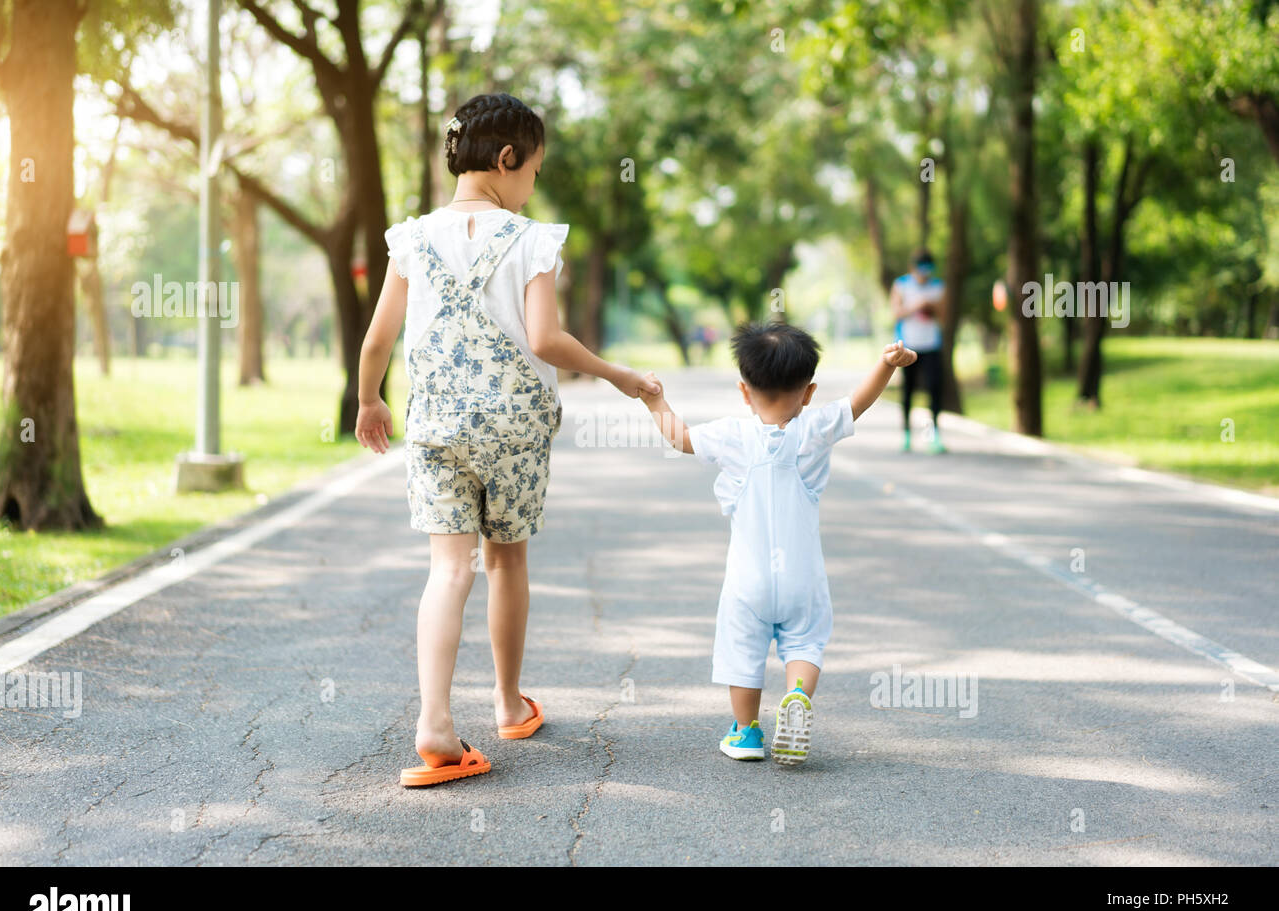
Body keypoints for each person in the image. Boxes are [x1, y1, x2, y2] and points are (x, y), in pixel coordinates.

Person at [354, 93, 658, 787]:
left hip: (435, 428)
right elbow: (546, 338)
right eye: (534, 172)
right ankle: (508, 701)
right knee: (507, 562)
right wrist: (617, 376)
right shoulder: (531, 239)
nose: (532, 187)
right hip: (515, 428)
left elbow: (378, 338)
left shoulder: (411, 238)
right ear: (508, 158)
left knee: (447, 570)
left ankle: (434, 723)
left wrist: (369, 397)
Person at [638, 323, 916, 765]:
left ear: (744, 391)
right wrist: (887, 364)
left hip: (747, 582)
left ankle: (747, 732)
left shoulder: (731, 435)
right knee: (805, 643)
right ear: (808, 392)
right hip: (802, 581)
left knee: (742, 652)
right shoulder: (815, 429)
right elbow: (857, 403)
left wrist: (655, 399)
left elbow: (681, 439)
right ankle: (798, 697)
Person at [890, 248, 947, 453]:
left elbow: (944, 315)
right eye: (921, 270)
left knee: (934, 389)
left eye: (928, 270)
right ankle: (906, 434)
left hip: (931, 344)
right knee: (908, 391)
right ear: (913, 268)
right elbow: (895, 312)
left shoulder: (938, 287)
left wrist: (931, 306)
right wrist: (916, 306)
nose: (925, 274)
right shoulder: (902, 284)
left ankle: (933, 435)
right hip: (907, 346)